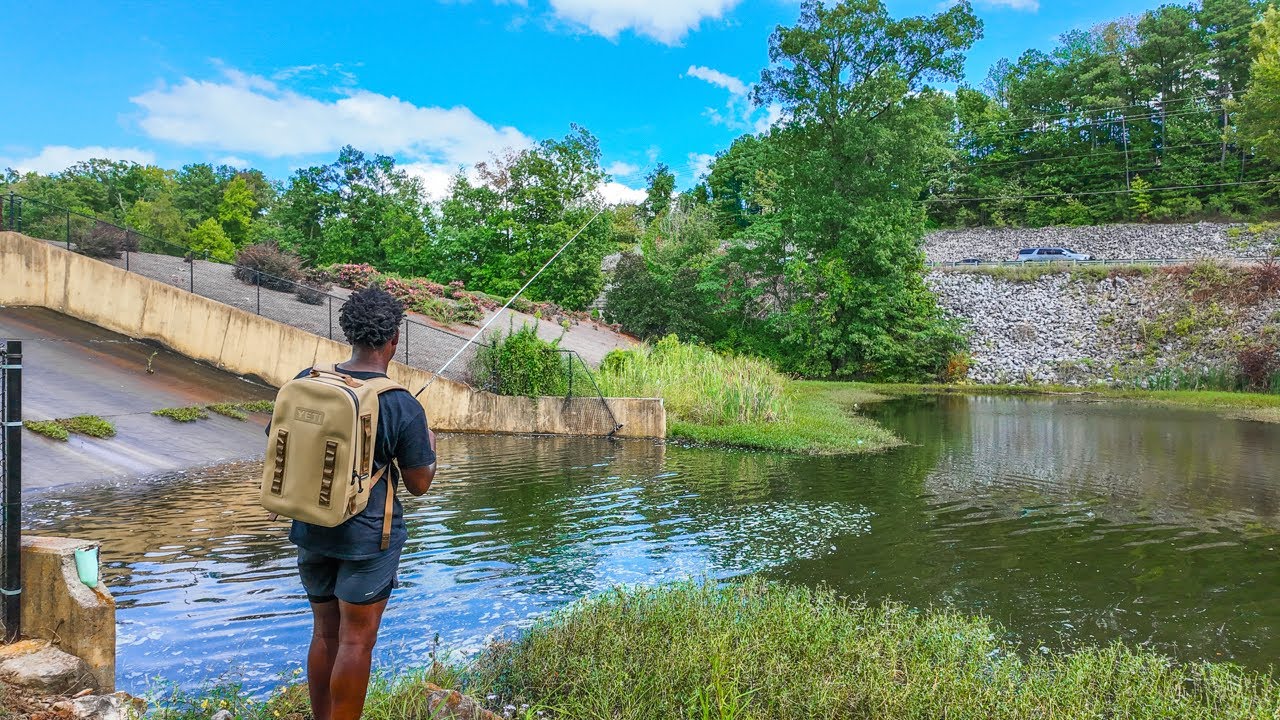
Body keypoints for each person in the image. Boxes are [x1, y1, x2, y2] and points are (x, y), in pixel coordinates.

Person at [281, 286, 437, 720]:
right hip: (369, 538)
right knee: (355, 641)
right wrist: (429, 444)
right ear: (394, 339)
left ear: (348, 332)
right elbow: (420, 483)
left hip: (310, 526)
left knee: (324, 633)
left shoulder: (307, 382)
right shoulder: (401, 403)